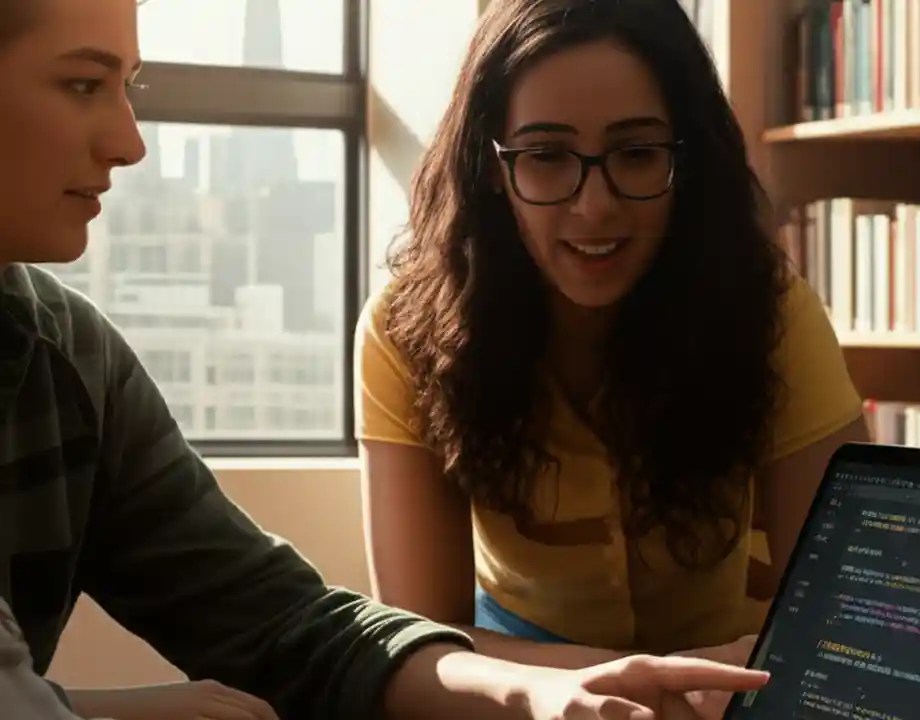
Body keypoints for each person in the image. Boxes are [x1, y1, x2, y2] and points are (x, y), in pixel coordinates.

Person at [0, 0, 771, 718]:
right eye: (81, 83)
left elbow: (288, 625)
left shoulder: (71, 360)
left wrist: (543, 693)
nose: (131, 141)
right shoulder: (411, 327)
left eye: (127, 86)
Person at [357, 0, 870, 669]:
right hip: (523, 683)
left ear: (687, 159)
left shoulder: (768, 310)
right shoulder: (404, 330)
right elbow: (421, 640)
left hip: (731, 683)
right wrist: (640, 687)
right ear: (489, 166)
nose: (594, 207)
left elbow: (850, 600)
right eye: (545, 155)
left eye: (635, 153)